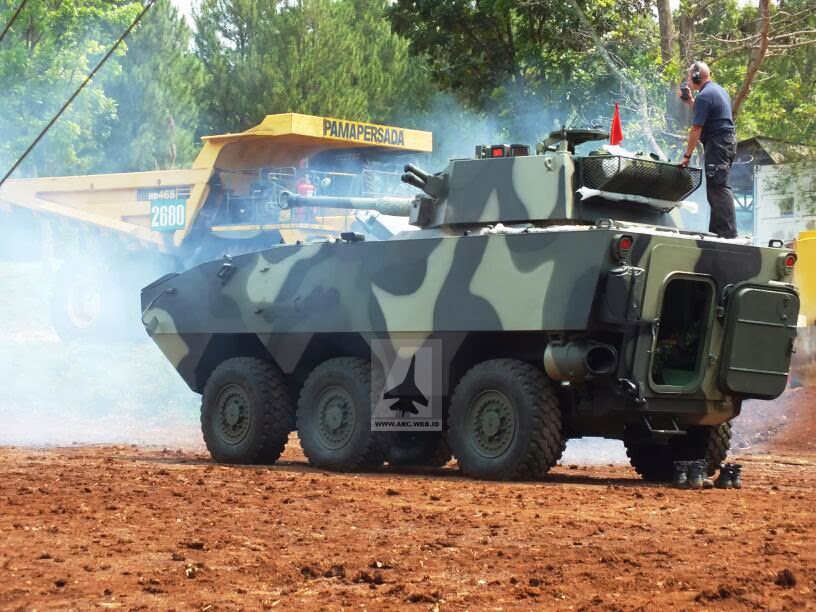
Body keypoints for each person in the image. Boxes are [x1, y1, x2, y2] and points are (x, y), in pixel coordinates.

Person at [678, 61, 738, 239]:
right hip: (724, 142)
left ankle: (727, 234)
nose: (688, 81)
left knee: (718, 186)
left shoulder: (705, 96)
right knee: (715, 187)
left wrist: (687, 156)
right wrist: (689, 101)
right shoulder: (717, 91)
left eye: (689, 77)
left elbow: (696, 129)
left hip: (718, 143)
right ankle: (717, 232)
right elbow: (704, 110)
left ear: (697, 77)